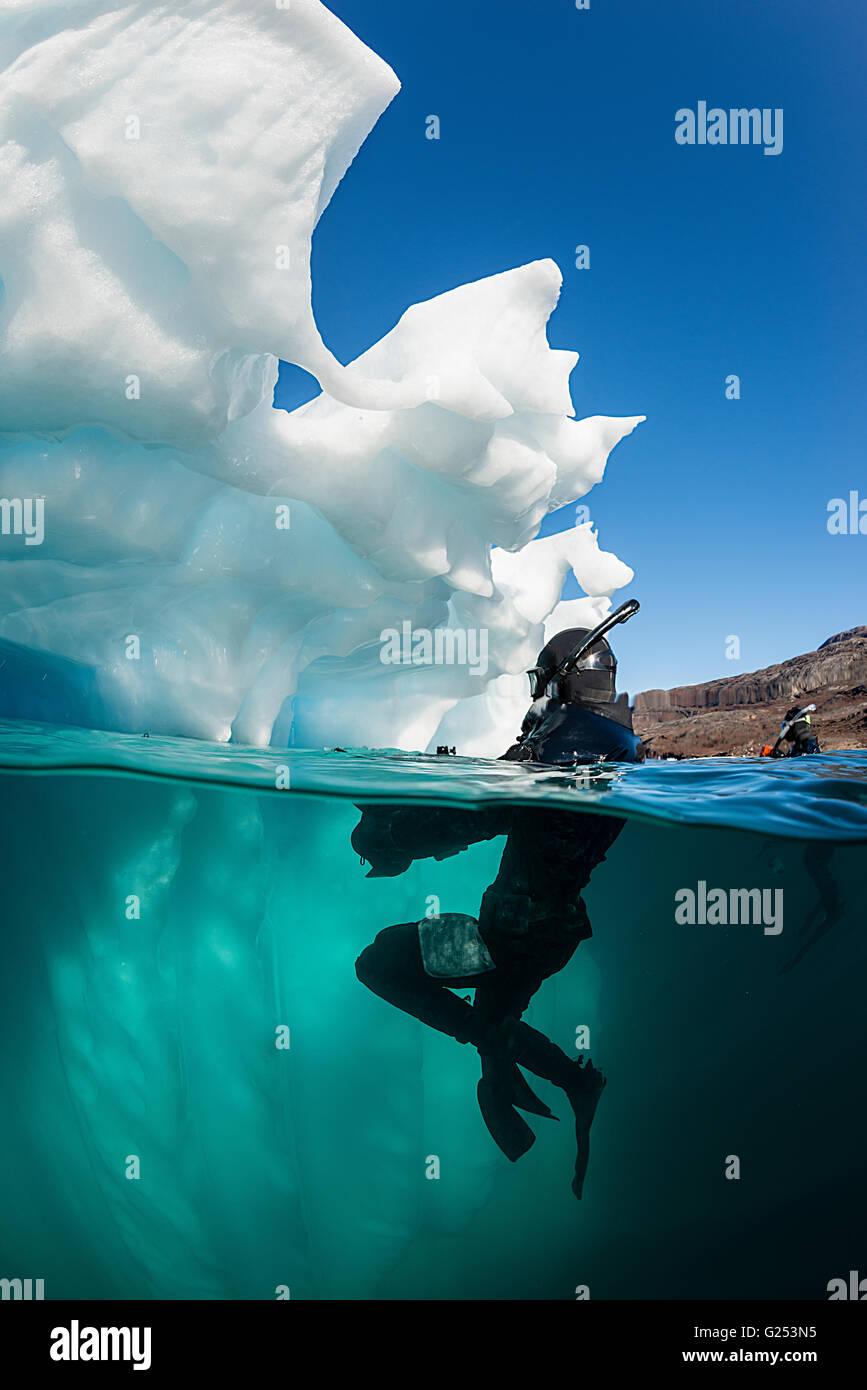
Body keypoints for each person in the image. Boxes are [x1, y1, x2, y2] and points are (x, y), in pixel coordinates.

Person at [353, 602, 642, 1200]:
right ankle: (569, 1078)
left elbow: (476, 815)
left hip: (504, 938)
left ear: (561, 679)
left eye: (542, 683)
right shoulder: (620, 744)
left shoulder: (560, 741)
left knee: (380, 961)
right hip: (547, 935)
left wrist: (390, 832)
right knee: (492, 1027)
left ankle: (524, 1056)